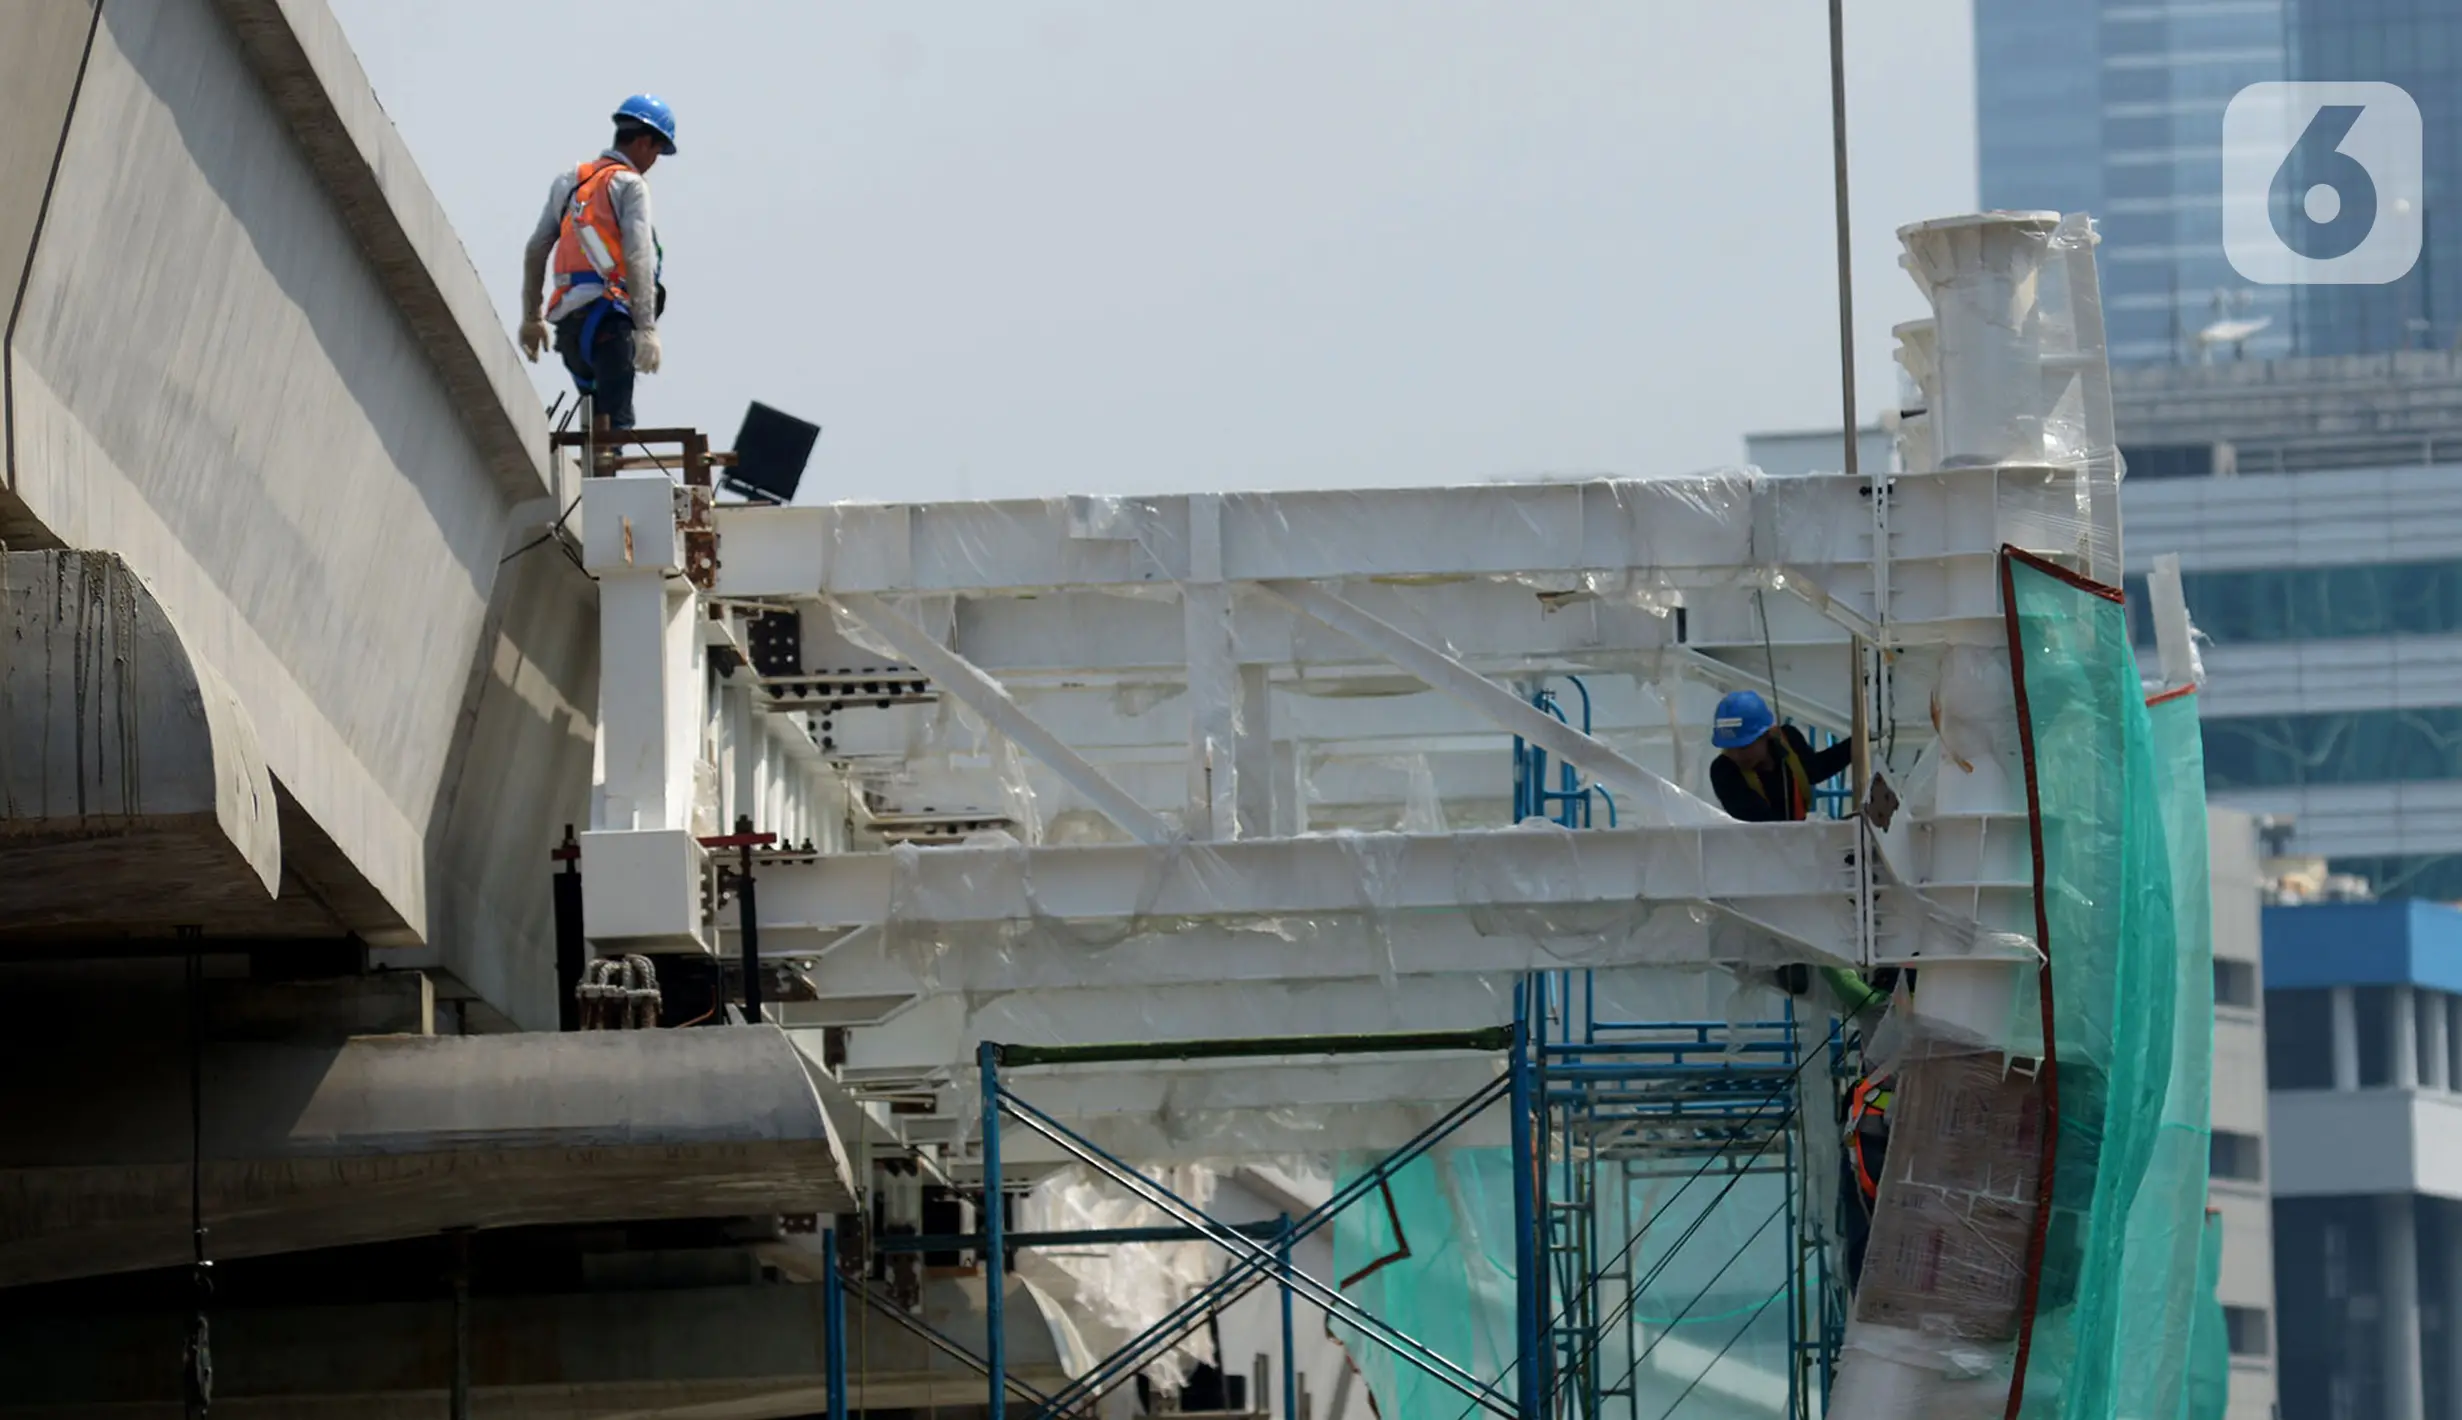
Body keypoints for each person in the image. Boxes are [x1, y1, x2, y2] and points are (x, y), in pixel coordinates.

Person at [520, 95, 676, 432]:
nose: (654, 162)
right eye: (657, 152)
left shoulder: (570, 181)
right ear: (644, 142)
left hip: (569, 328)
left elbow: (536, 249)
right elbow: (637, 256)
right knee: (616, 429)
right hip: (609, 321)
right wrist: (646, 328)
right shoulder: (631, 185)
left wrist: (531, 318)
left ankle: (597, 459)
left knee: (594, 428)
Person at [1707, 689, 1853, 822]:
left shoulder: (1789, 741)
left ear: (1766, 734)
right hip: (1762, 839)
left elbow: (1816, 769)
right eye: (1729, 748)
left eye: (1744, 747)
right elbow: (1762, 820)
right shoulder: (1724, 772)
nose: (1737, 755)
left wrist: (1857, 743)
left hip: (1796, 833)